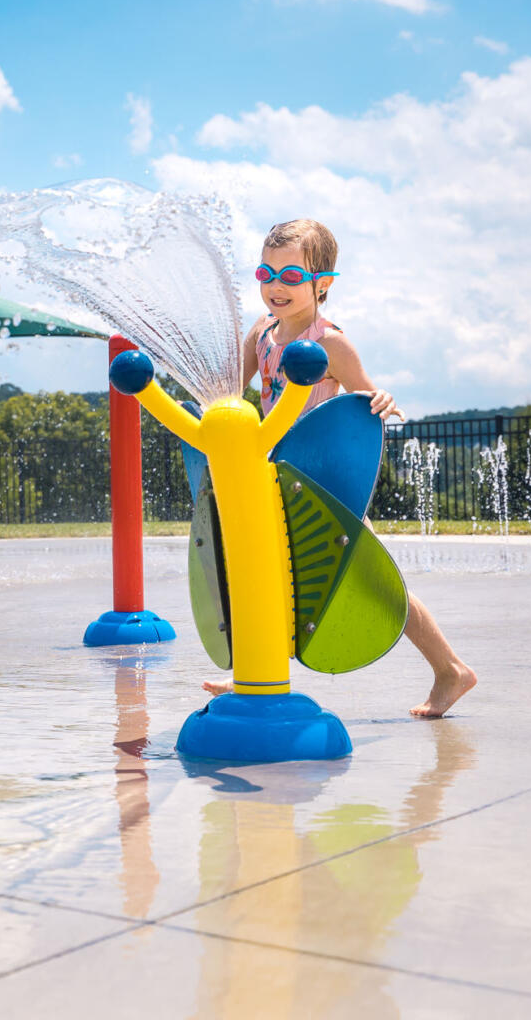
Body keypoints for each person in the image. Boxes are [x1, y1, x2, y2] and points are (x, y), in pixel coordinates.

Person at [202, 219, 478, 719]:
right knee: (260, 567)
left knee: (372, 581)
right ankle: (252, 669)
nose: (275, 286)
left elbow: (363, 398)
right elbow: (227, 391)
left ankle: (450, 669)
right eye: (266, 272)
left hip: (324, 483)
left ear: (323, 283)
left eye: (291, 275)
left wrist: (381, 397)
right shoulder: (261, 335)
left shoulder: (331, 343)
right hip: (276, 475)